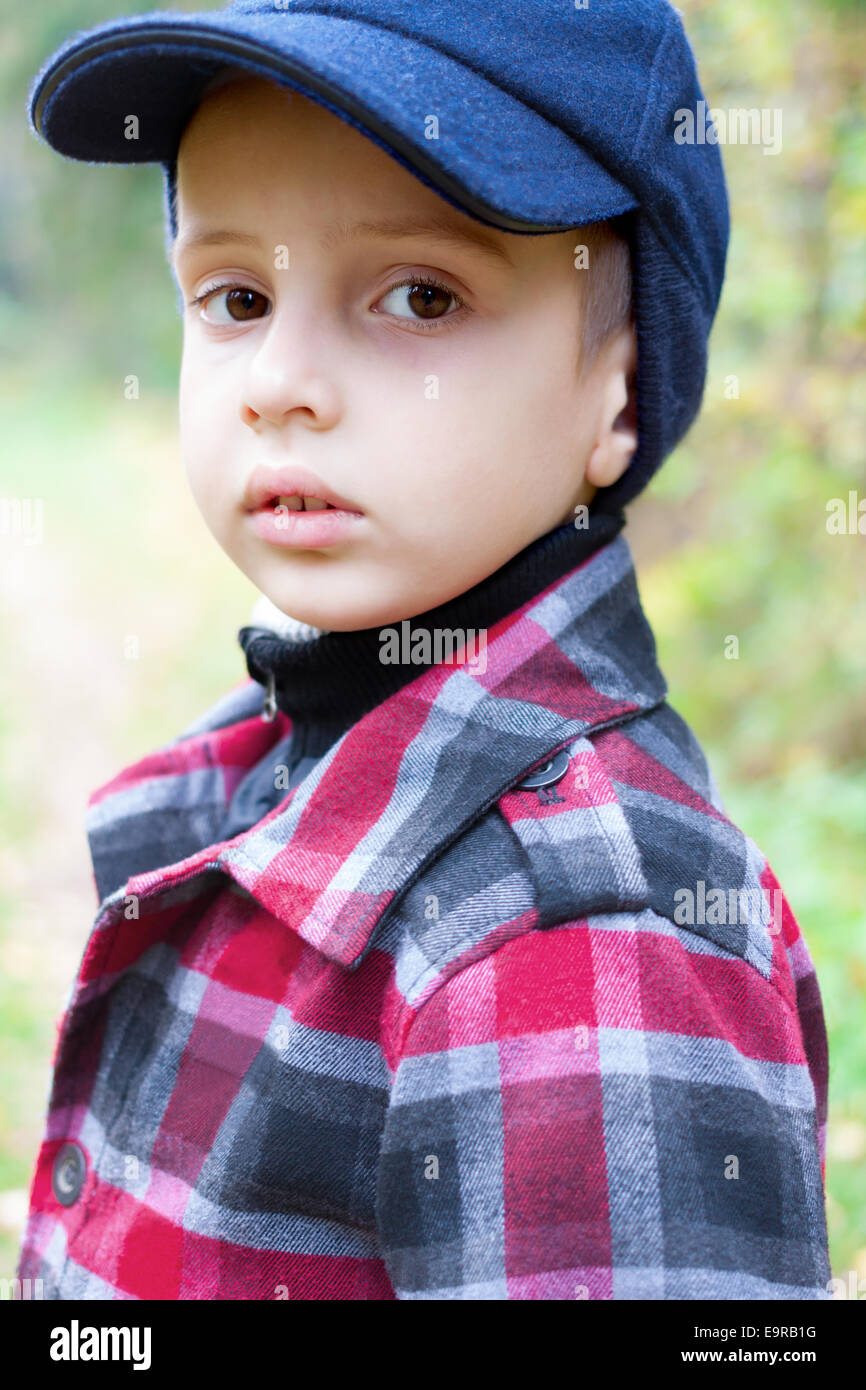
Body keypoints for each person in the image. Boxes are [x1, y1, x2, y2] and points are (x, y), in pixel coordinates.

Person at [18, 0, 831, 1299]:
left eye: (416, 295)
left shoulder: (572, 940)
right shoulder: (284, 763)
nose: (278, 379)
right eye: (235, 295)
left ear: (618, 389)